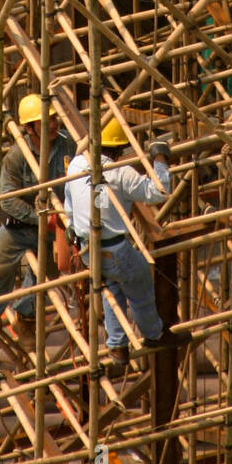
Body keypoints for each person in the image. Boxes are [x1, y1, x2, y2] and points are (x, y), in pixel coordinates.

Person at [64, 117, 190, 365]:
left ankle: (117, 346)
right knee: (140, 285)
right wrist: (160, 161)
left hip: (87, 248)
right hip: (115, 250)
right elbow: (158, 192)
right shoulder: (121, 172)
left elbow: (69, 203)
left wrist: (72, 225)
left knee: (112, 287)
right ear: (120, 149)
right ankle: (154, 335)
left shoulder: (76, 164)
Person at [0, 94, 75, 353]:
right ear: (29, 128)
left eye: (52, 118)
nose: (52, 124)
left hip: (53, 228)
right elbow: (8, 202)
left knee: (42, 277)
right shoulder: (16, 156)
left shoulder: (67, 147)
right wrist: (42, 218)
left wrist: (62, 220)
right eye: (44, 122)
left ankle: (25, 318)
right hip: (20, 225)